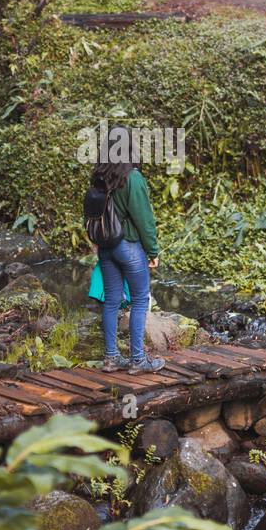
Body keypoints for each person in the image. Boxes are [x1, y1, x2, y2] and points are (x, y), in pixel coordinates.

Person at [91, 147, 164, 374]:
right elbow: (144, 219)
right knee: (140, 300)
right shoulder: (132, 177)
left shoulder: (99, 177)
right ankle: (138, 360)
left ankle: (111, 359)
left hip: (106, 247)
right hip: (129, 247)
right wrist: (153, 251)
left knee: (112, 301)